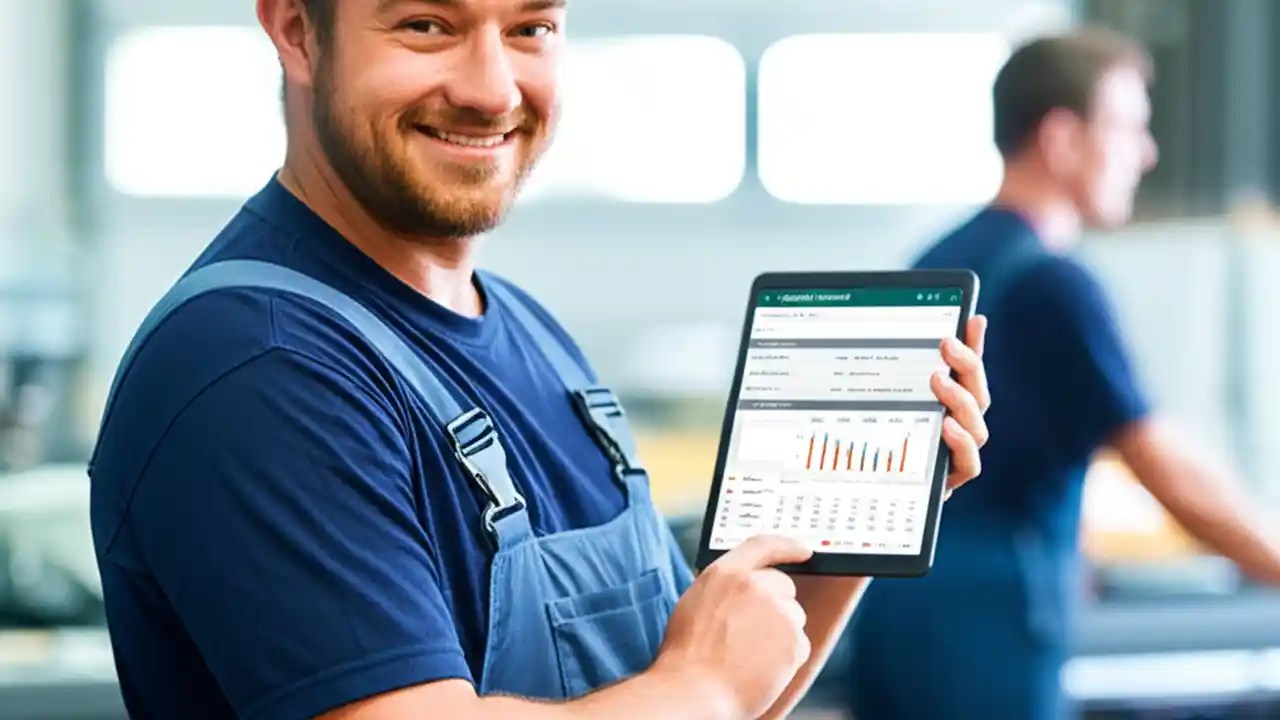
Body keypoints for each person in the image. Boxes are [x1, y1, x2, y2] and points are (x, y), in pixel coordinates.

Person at [87, 1, 995, 718]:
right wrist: (703, 688)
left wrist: (847, 533)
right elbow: (691, 696)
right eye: (427, 26)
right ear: (296, 30)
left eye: (531, 29)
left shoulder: (529, 331)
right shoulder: (260, 366)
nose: (491, 88)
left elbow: (695, 700)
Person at [847, 27, 1280, 720]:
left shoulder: (938, 259)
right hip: (989, 627)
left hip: (891, 614)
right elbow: (1167, 468)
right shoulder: (1053, 283)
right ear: (1061, 137)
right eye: (1128, 127)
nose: (1146, 152)